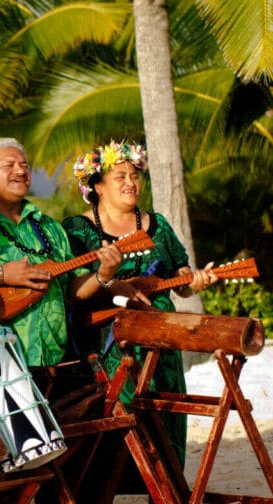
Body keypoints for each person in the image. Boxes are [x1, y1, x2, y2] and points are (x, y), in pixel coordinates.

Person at [61, 140, 217, 472]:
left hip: (160, 340)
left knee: (164, 417)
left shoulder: (157, 224)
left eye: (134, 174)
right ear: (98, 186)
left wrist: (194, 281)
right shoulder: (77, 230)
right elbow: (70, 289)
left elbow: (182, 279)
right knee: (114, 424)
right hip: (104, 345)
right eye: (120, 175)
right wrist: (111, 281)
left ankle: (166, 492)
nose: (130, 182)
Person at [0, 137, 123, 368]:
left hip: (55, 361)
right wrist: (2, 274)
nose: (20, 171)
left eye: (25, 165)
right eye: (9, 165)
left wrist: (103, 275)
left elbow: (71, 290)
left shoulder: (49, 226)